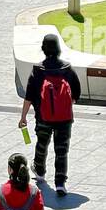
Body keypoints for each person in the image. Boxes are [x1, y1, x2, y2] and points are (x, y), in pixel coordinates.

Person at [18, 32, 82, 196]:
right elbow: (77, 92)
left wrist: (23, 117)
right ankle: (60, 183)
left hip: (43, 117)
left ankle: (39, 172)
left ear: (43, 49)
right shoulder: (67, 69)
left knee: (42, 144)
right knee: (61, 150)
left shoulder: (38, 70)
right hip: (65, 119)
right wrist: (64, 105)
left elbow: (29, 96)